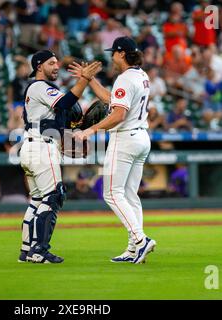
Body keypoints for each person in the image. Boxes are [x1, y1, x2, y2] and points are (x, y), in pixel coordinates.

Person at [69, 36, 156, 264]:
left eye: (114, 52)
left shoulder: (125, 78)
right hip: (141, 137)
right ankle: (133, 249)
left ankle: (140, 240)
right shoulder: (141, 75)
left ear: (122, 54)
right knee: (129, 195)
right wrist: (89, 80)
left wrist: (90, 131)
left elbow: (118, 114)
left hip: (125, 138)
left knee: (111, 193)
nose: (111, 56)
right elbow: (112, 101)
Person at [18, 50, 101, 263]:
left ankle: (27, 250)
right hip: (41, 147)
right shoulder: (39, 86)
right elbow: (65, 103)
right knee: (53, 196)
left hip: (32, 146)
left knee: (37, 200)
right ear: (39, 66)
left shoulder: (38, 90)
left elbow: (59, 117)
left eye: (57, 62)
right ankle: (39, 250)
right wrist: (85, 79)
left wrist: (77, 126)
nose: (56, 66)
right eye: (51, 63)